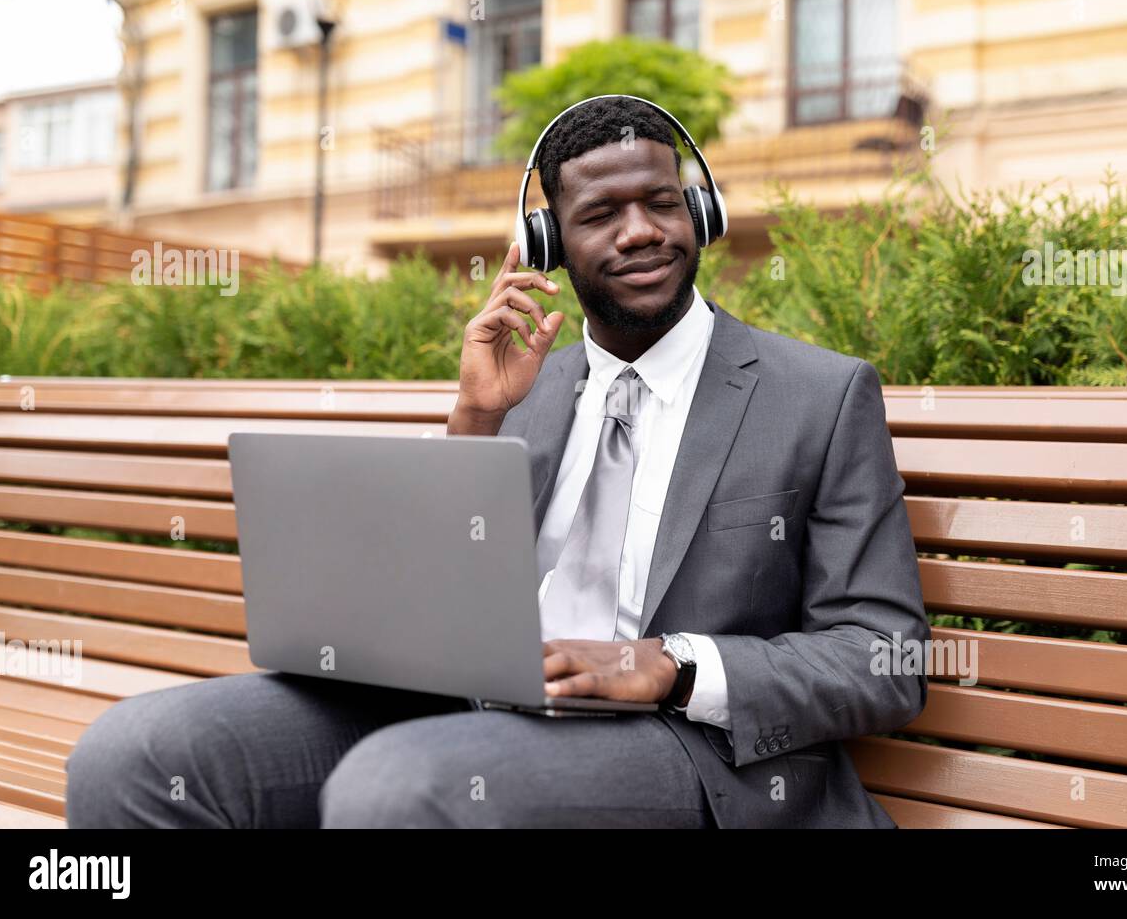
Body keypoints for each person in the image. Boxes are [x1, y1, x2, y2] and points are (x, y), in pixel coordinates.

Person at [65, 96, 928, 828]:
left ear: (698, 212)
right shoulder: (528, 391)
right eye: (600, 215)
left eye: (661, 203)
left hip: (692, 749)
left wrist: (666, 663)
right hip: (484, 710)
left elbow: (884, 657)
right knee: (133, 754)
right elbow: (428, 603)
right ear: (549, 242)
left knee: (399, 789)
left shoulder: (817, 394)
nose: (640, 233)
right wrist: (475, 415)